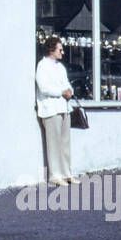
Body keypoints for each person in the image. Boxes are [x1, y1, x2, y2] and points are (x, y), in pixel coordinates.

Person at [36, 36, 76, 184]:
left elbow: (67, 83)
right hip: (50, 109)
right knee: (53, 144)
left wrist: (69, 91)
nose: (63, 52)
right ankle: (55, 175)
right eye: (60, 49)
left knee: (65, 142)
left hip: (64, 108)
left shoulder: (60, 67)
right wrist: (62, 92)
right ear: (51, 50)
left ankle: (67, 173)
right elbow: (44, 87)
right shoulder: (42, 66)